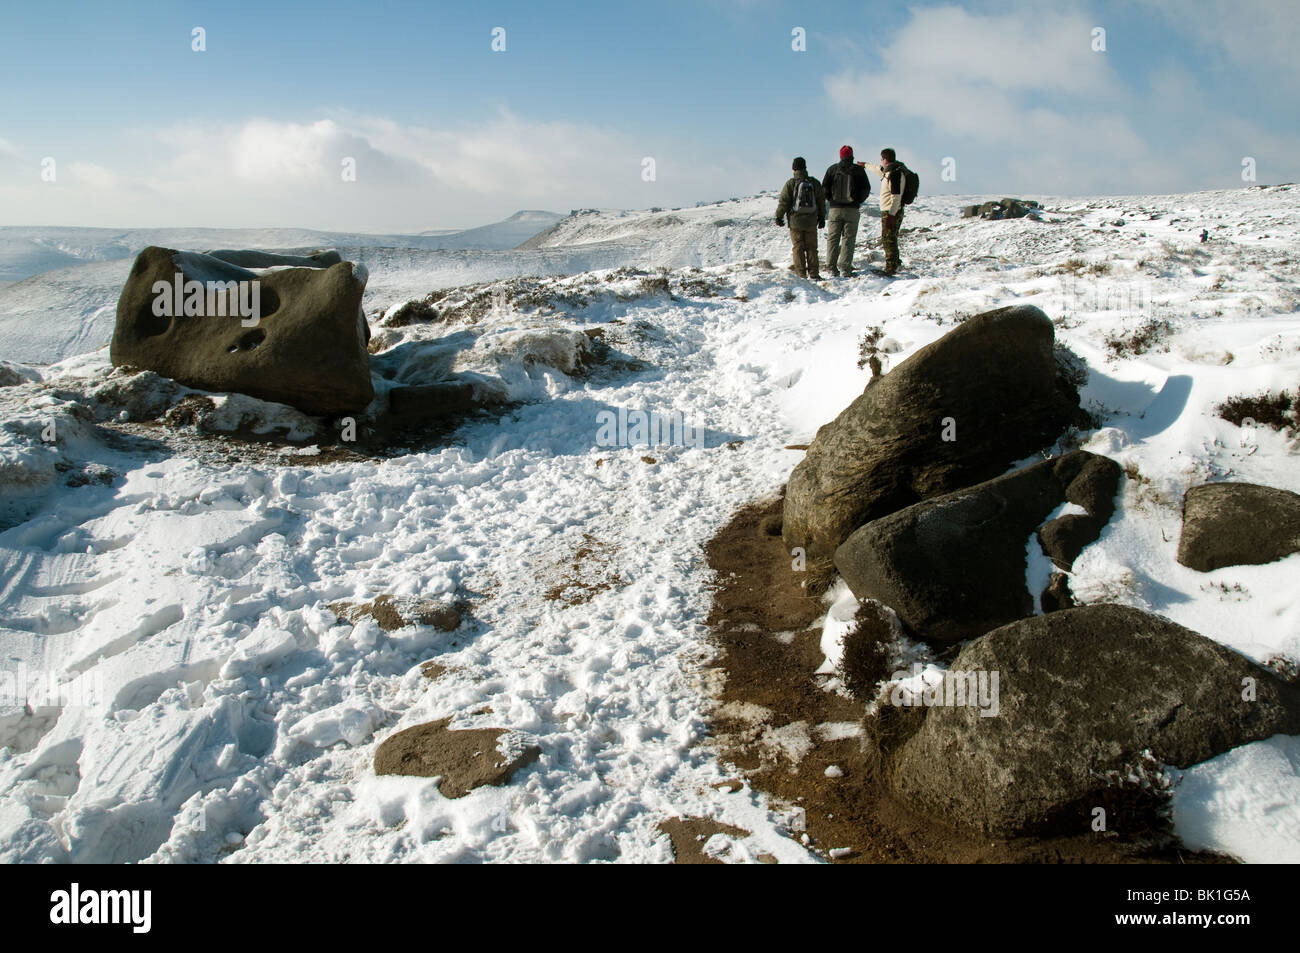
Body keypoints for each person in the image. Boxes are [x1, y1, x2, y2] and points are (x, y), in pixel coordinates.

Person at [821, 145, 870, 277]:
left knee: (833, 238)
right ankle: (845, 268)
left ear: (841, 156)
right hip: (852, 209)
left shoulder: (832, 169)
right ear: (852, 156)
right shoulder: (858, 170)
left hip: (835, 209)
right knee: (848, 238)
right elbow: (866, 188)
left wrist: (831, 199)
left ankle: (831, 267)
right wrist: (857, 200)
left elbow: (824, 187)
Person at [775, 156, 827, 279]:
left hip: (795, 222)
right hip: (811, 222)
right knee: (812, 248)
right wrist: (821, 218)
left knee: (798, 248)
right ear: (805, 168)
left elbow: (784, 202)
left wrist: (779, 216)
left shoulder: (791, 184)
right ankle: (814, 273)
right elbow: (821, 201)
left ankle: (801, 274)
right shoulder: (814, 182)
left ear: (794, 168)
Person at [863, 148, 905, 275]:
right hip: (892, 210)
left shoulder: (894, 174)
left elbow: (896, 196)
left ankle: (891, 267)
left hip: (891, 211)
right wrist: (865, 165)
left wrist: (892, 214)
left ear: (885, 159)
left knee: (888, 239)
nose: (881, 162)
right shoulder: (890, 171)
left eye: (882, 159)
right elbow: (878, 169)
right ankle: (895, 263)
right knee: (890, 237)